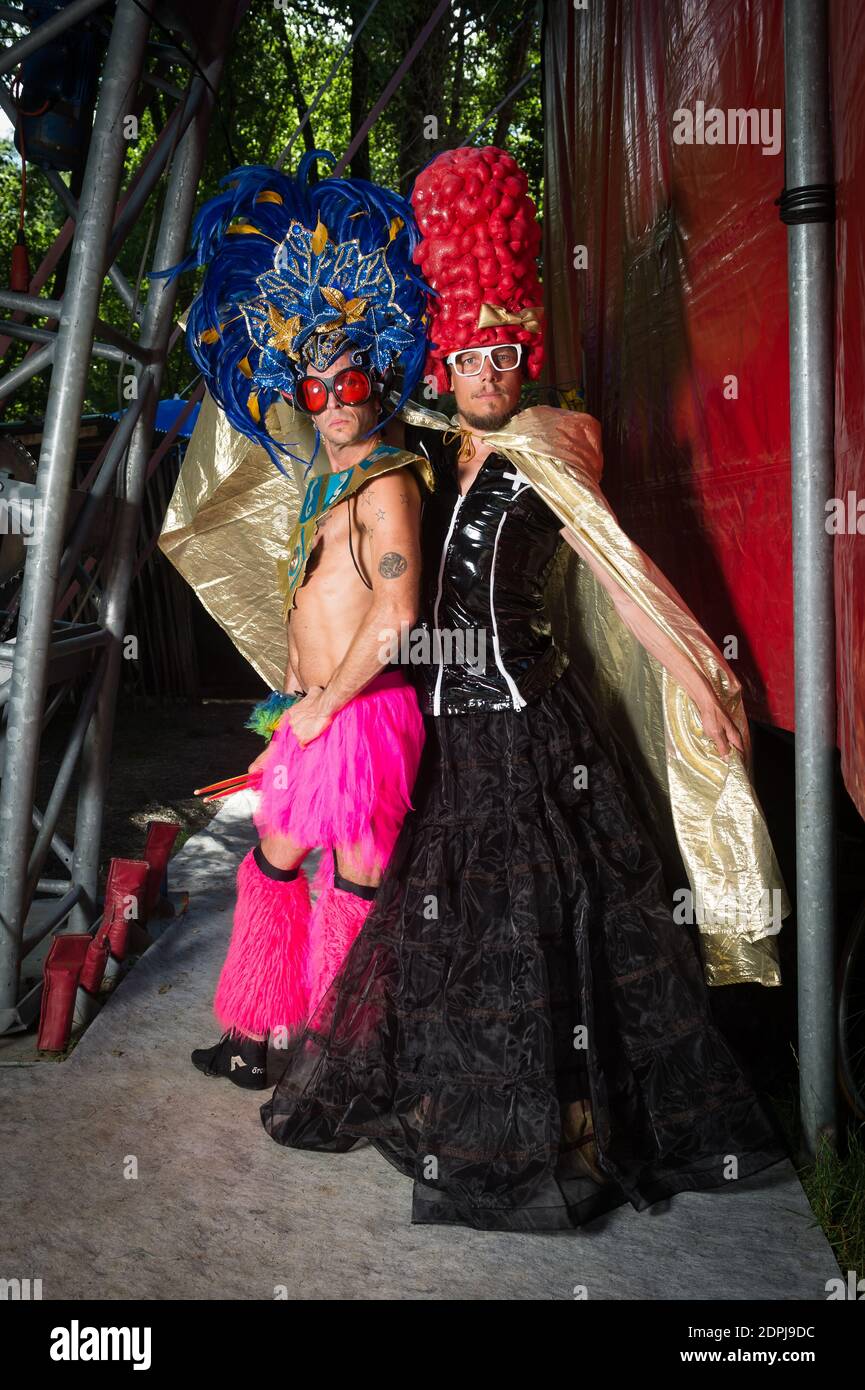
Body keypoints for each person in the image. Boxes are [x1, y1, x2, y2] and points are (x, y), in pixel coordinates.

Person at [259, 145, 792, 1231]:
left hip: (535, 731)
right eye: (468, 355)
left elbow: (618, 574)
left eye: (507, 353)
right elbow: (339, 451)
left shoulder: (553, 453)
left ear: (527, 356)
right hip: (449, 741)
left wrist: (698, 676)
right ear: (442, 364)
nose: (491, 372)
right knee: (450, 936)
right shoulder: (421, 456)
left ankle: (566, 1128)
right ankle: (466, 1113)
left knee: (556, 933)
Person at [164, 153, 433, 1089]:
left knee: (350, 891)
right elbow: (311, 600)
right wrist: (290, 703)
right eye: (311, 390)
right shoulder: (324, 481)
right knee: (272, 872)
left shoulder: (389, 482)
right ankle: (256, 1036)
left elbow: (396, 611)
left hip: (360, 716)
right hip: (308, 712)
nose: (329, 405)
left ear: (377, 381)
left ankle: (339, 1058)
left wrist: (326, 707)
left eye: (346, 385)